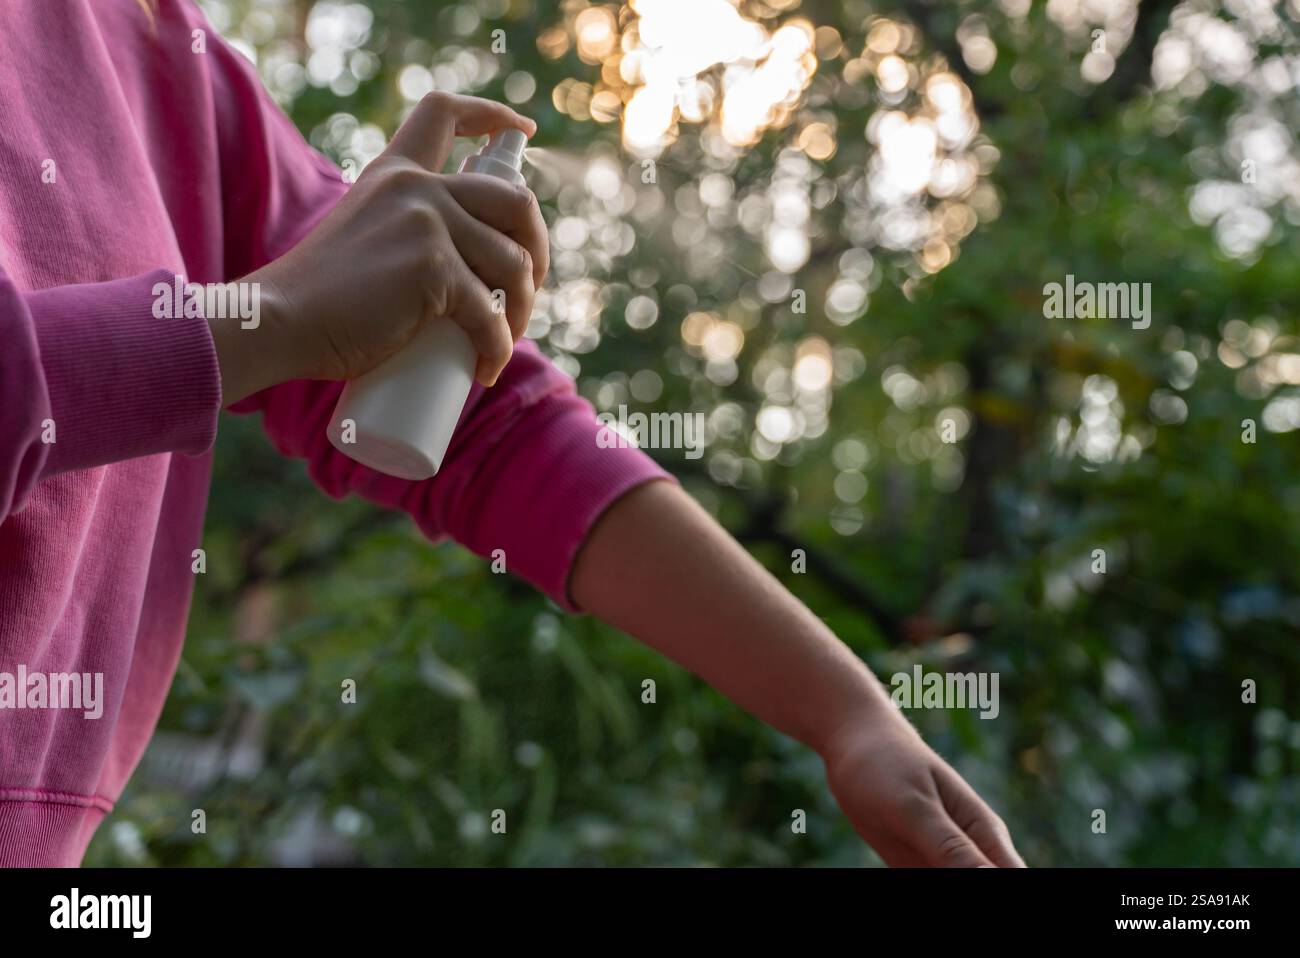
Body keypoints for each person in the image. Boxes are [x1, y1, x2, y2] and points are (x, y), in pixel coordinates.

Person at [0, 0, 1023, 867]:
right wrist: (254, 326)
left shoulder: (148, 42)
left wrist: (845, 712)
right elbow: (286, 320)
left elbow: (491, 426)